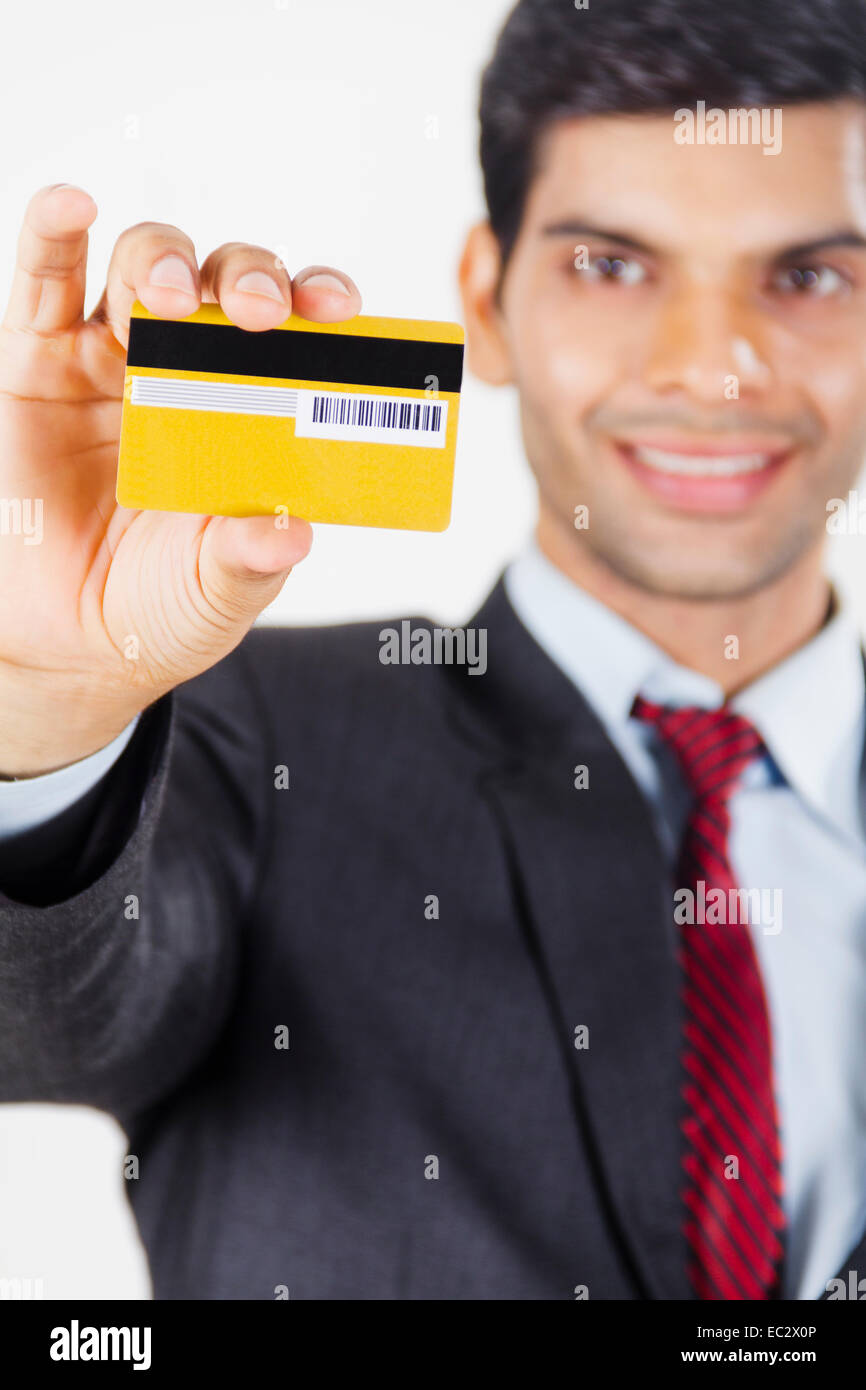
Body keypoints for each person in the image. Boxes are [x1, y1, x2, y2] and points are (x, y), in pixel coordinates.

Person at [1, 0, 865, 1301]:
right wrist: (40, 717)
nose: (710, 370)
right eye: (612, 265)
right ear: (488, 301)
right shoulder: (254, 738)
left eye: (808, 275)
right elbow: (38, 1023)